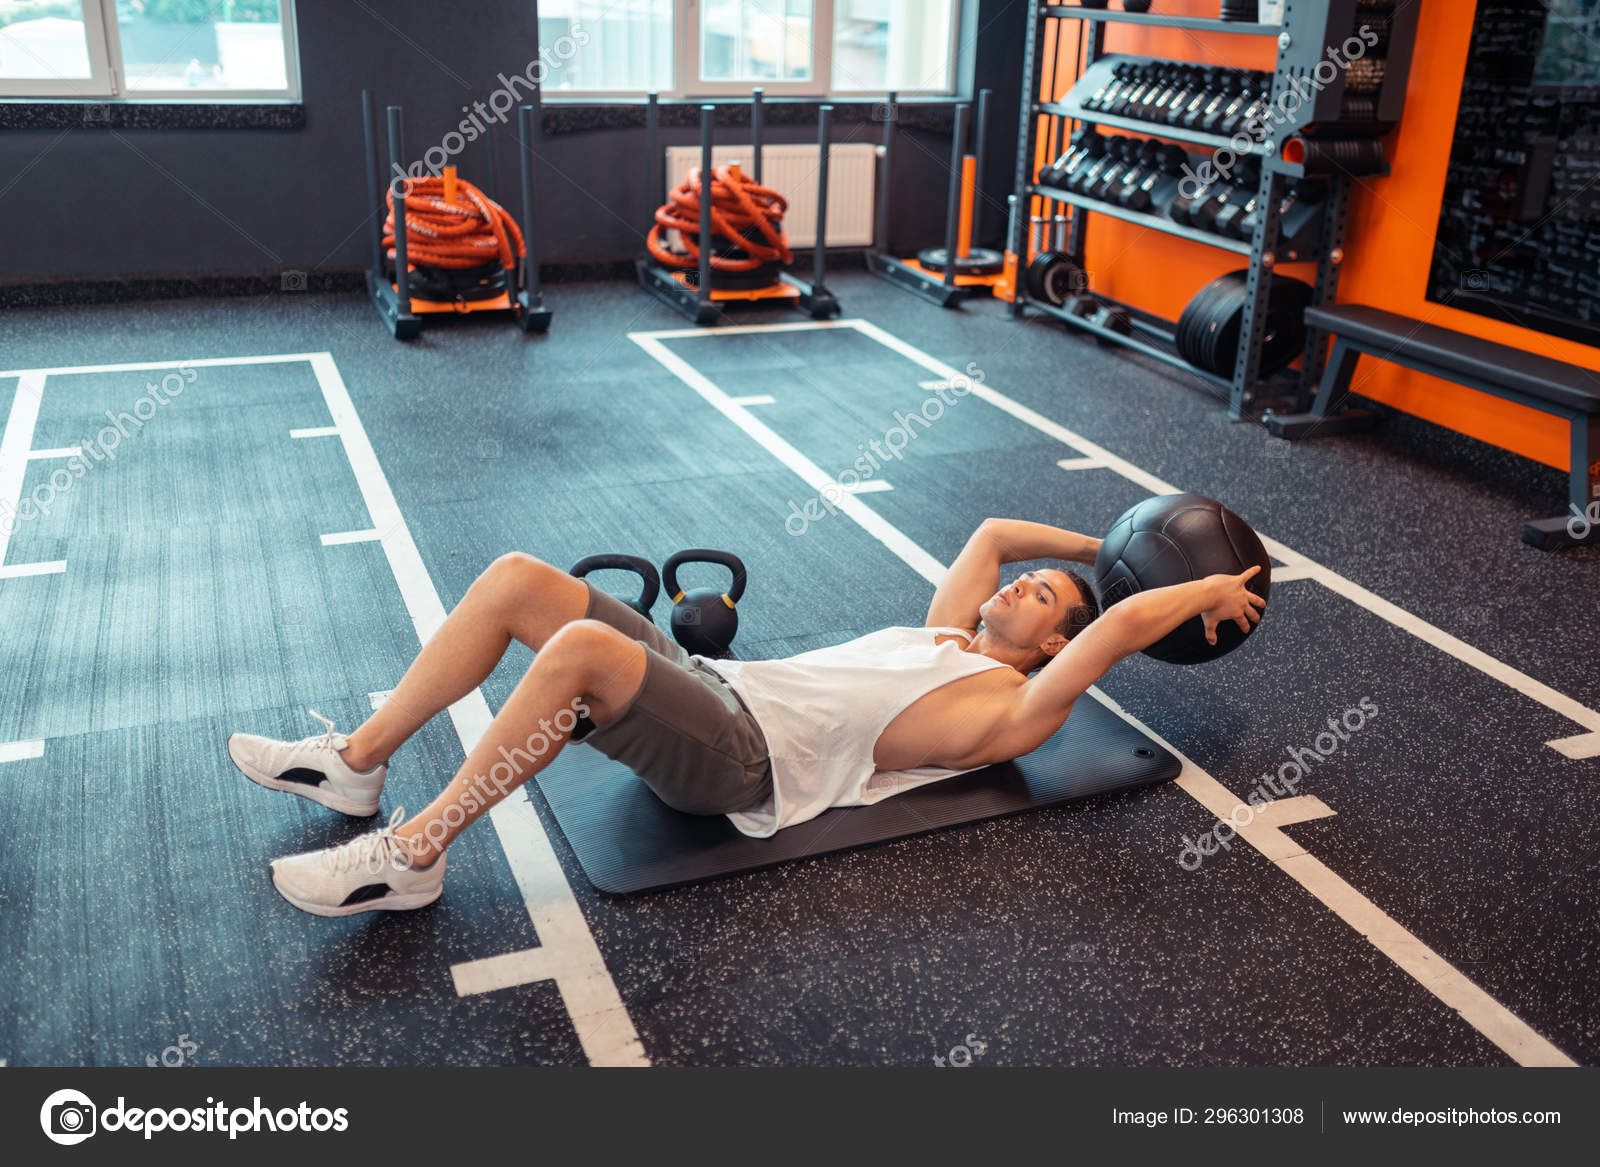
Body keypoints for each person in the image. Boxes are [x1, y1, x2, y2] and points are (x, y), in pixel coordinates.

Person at [228, 518, 1264, 916]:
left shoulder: (1016, 707)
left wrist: (1191, 593)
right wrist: (1108, 547)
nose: (1013, 590)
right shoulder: (950, 633)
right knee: (517, 581)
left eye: (1041, 599)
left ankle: (414, 853)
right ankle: (356, 764)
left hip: (745, 761)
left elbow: (1124, 622)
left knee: (583, 651)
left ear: (1054, 650)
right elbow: (993, 534)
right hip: (723, 688)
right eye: (1027, 585)